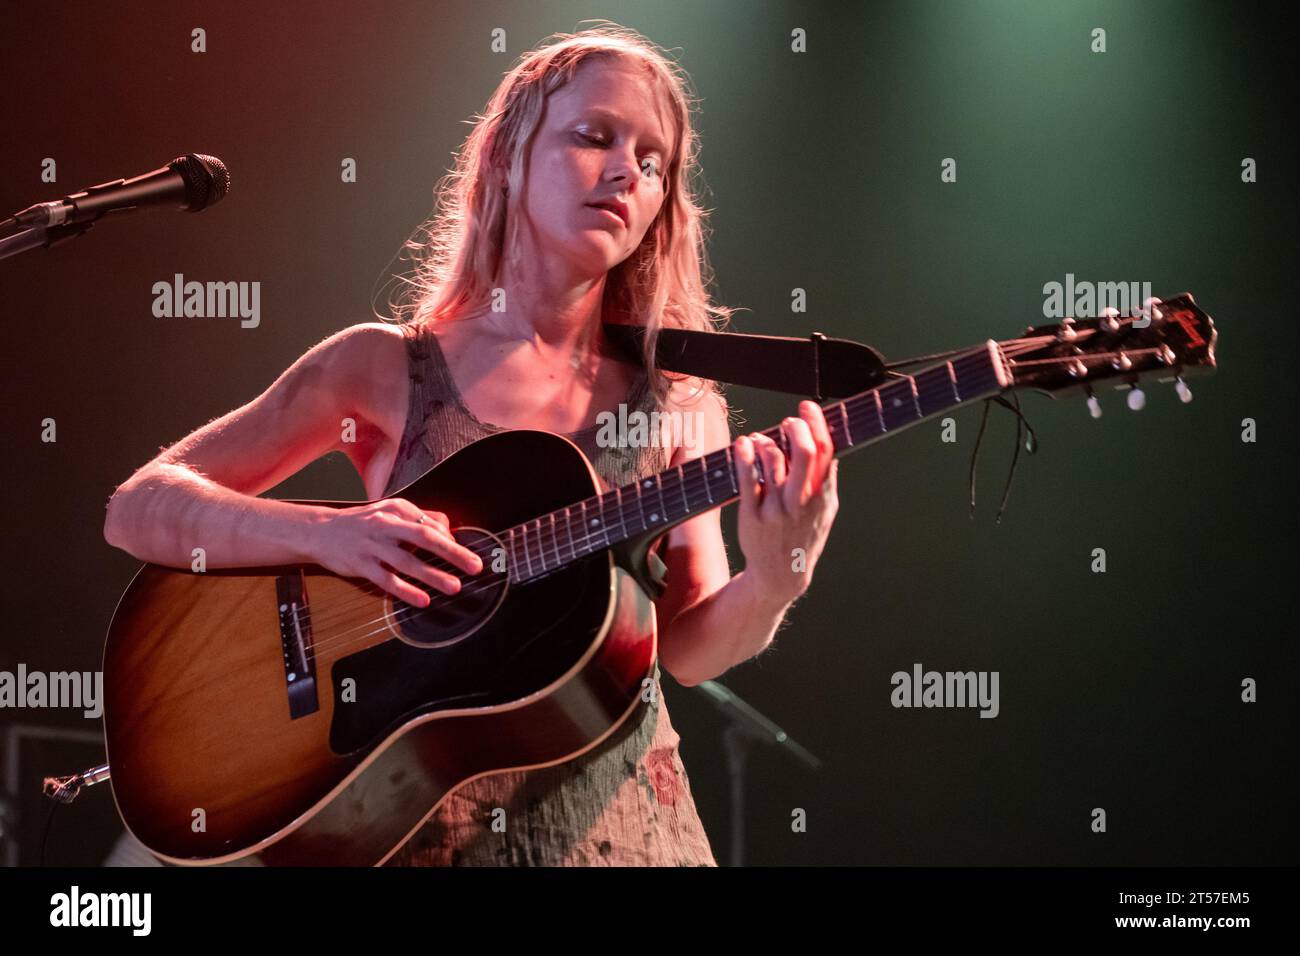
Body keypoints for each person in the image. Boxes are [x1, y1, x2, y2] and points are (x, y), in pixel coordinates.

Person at [103, 25, 840, 866]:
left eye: (653, 160)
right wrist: (324, 533)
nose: (625, 171)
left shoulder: (680, 406)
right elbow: (142, 506)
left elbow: (685, 648)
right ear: (504, 156)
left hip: (625, 836)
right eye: (593, 136)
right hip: (421, 830)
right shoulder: (384, 367)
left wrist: (779, 577)